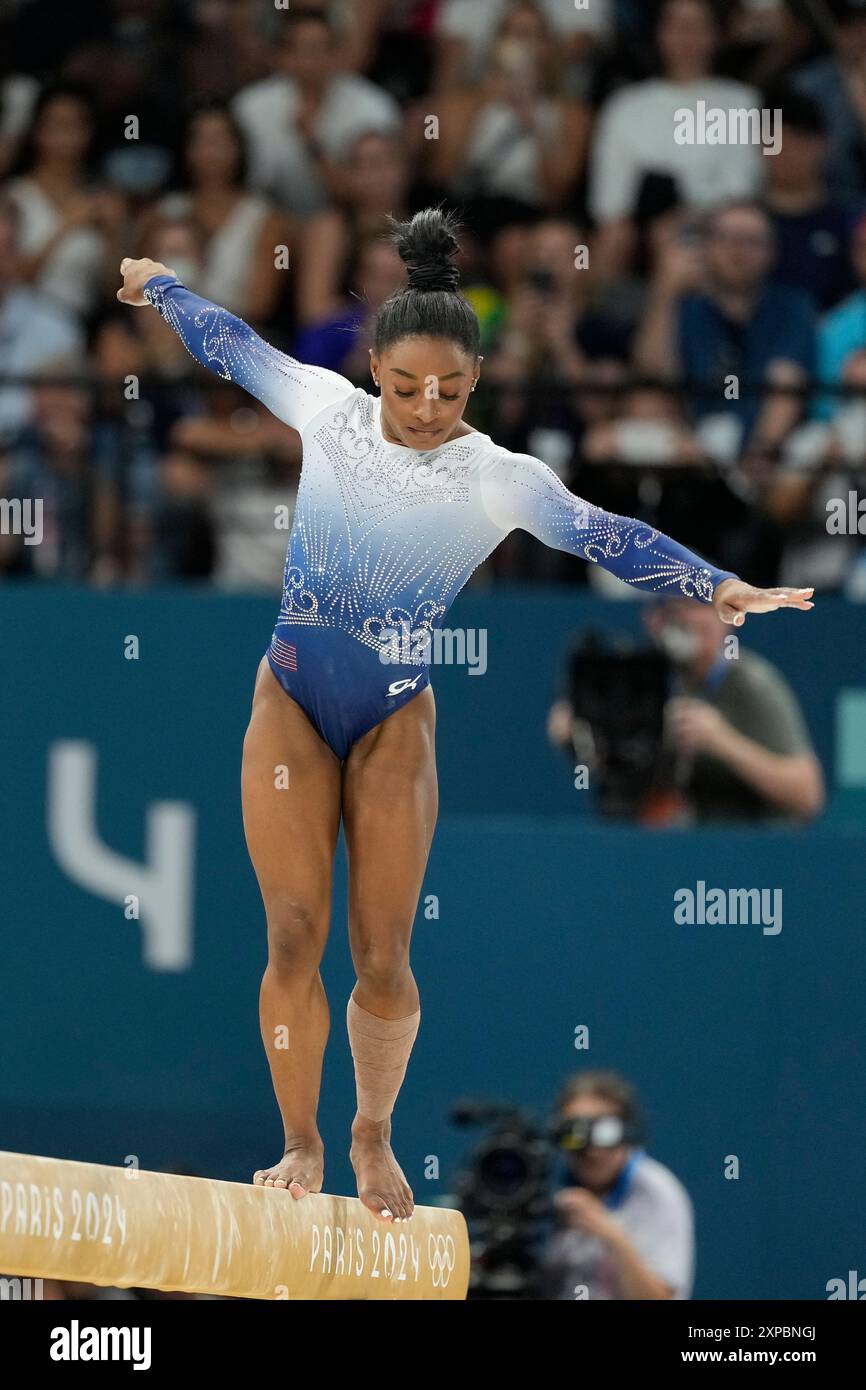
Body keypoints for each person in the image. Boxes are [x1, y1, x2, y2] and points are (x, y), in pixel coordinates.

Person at [116, 207, 814, 1224]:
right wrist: (163, 286)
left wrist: (714, 584)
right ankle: (303, 1141)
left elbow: (605, 534)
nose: (425, 406)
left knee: (385, 957)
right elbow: (233, 345)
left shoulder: (498, 476)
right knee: (291, 933)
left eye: (448, 389)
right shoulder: (325, 408)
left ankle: (370, 1127)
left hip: (396, 715)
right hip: (292, 701)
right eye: (403, 386)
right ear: (373, 368)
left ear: (476, 381)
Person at [537, 1070, 694, 1300]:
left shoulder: (656, 1192)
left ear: (627, 1132)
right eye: (576, 1133)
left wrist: (610, 1234)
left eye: (605, 1131)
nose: (592, 1150)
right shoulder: (545, 1188)